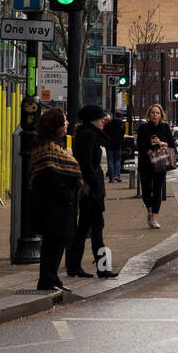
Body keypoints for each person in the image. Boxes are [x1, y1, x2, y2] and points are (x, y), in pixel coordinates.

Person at [29, 108, 82, 292]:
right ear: (55, 125)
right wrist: (67, 196)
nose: (67, 123)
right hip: (53, 207)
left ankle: (53, 278)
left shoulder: (54, 146)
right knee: (52, 244)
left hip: (59, 206)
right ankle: (47, 280)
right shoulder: (48, 148)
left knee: (58, 244)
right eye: (64, 120)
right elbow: (50, 176)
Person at [67, 105, 115, 279]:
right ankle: (102, 268)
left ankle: (74, 266)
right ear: (93, 119)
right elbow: (86, 164)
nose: (104, 120)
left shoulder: (89, 134)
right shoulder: (88, 135)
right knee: (95, 229)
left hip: (91, 190)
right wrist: (94, 186)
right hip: (91, 191)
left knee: (85, 229)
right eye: (101, 118)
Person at [137, 103, 175, 229]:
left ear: (161, 115)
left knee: (158, 191)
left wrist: (161, 143)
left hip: (160, 164)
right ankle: (149, 211)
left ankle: (154, 217)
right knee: (147, 190)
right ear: (149, 114)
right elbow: (140, 144)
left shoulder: (165, 128)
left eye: (157, 113)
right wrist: (149, 150)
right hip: (146, 163)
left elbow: (171, 144)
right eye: (153, 112)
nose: (155, 115)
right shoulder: (143, 128)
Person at [105, 112, 124, 183]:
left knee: (110, 161)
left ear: (114, 116)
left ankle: (111, 178)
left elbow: (104, 133)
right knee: (118, 160)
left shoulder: (109, 124)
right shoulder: (122, 125)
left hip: (109, 145)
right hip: (118, 145)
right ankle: (117, 176)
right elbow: (122, 134)